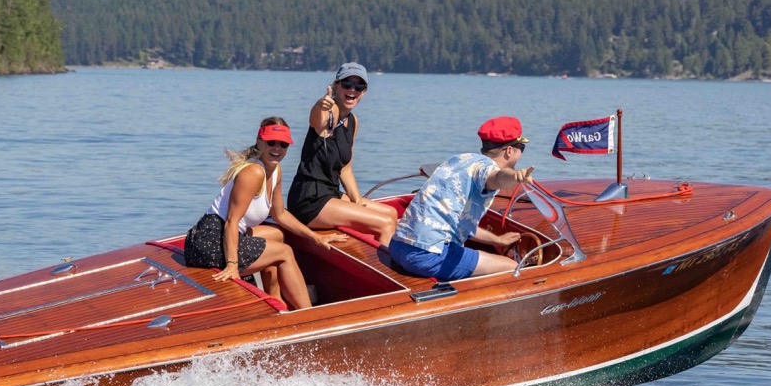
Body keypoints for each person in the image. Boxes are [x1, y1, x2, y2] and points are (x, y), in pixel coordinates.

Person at [184, 117, 345, 310]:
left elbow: (280, 215)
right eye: (271, 143)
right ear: (260, 141)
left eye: (283, 144)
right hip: (207, 241)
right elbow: (231, 221)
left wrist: (315, 237)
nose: (277, 148)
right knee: (284, 252)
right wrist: (232, 265)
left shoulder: (275, 171)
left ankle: (275, 300)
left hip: (221, 234)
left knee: (277, 235)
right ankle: (307, 315)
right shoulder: (254, 172)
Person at [388, 116, 536, 281]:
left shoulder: (459, 160)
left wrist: (498, 240)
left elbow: (461, 222)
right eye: (521, 147)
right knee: (514, 268)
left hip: (398, 247)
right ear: (509, 150)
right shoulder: (486, 169)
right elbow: (497, 177)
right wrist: (516, 176)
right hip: (427, 256)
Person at [286, 62, 399, 246]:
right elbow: (316, 121)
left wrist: (357, 201)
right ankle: (384, 271)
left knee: (391, 214)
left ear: (364, 91)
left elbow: (345, 169)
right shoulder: (329, 110)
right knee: (384, 223)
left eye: (359, 86)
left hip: (331, 192)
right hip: (309, 197)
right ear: (336, 85)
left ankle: (384, 256)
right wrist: (319, 105)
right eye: (347, 84)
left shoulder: (353, 121)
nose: (352, 90)